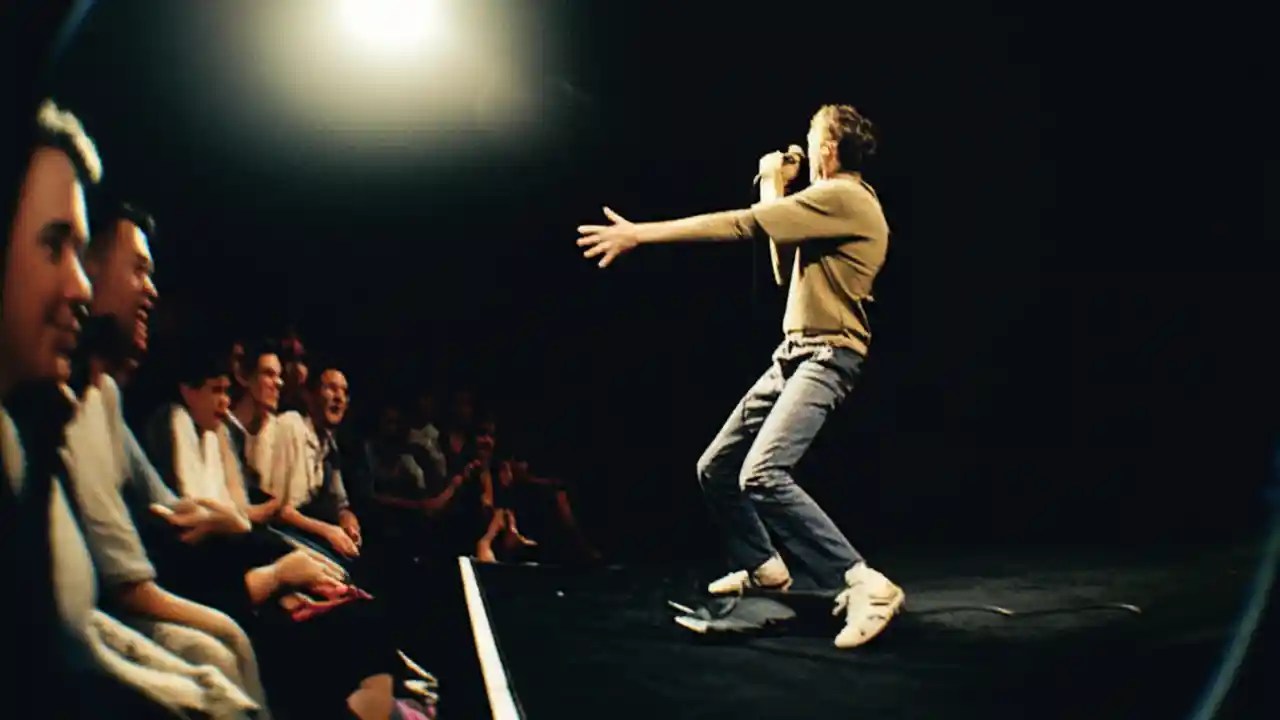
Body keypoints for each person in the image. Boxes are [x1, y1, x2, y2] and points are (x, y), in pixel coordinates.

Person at [575, 104, 903, 649]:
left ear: (826, 148)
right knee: (717, 468)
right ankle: (764, 567)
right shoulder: (824, 203)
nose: (803, 148)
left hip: (829, 354)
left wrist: (641, 235)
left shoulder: (844, 197)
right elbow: (780, 265)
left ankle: (864, 582)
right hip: (793, 354)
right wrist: (773, 184)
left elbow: (742, 224)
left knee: (763, 473)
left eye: (810, 139)